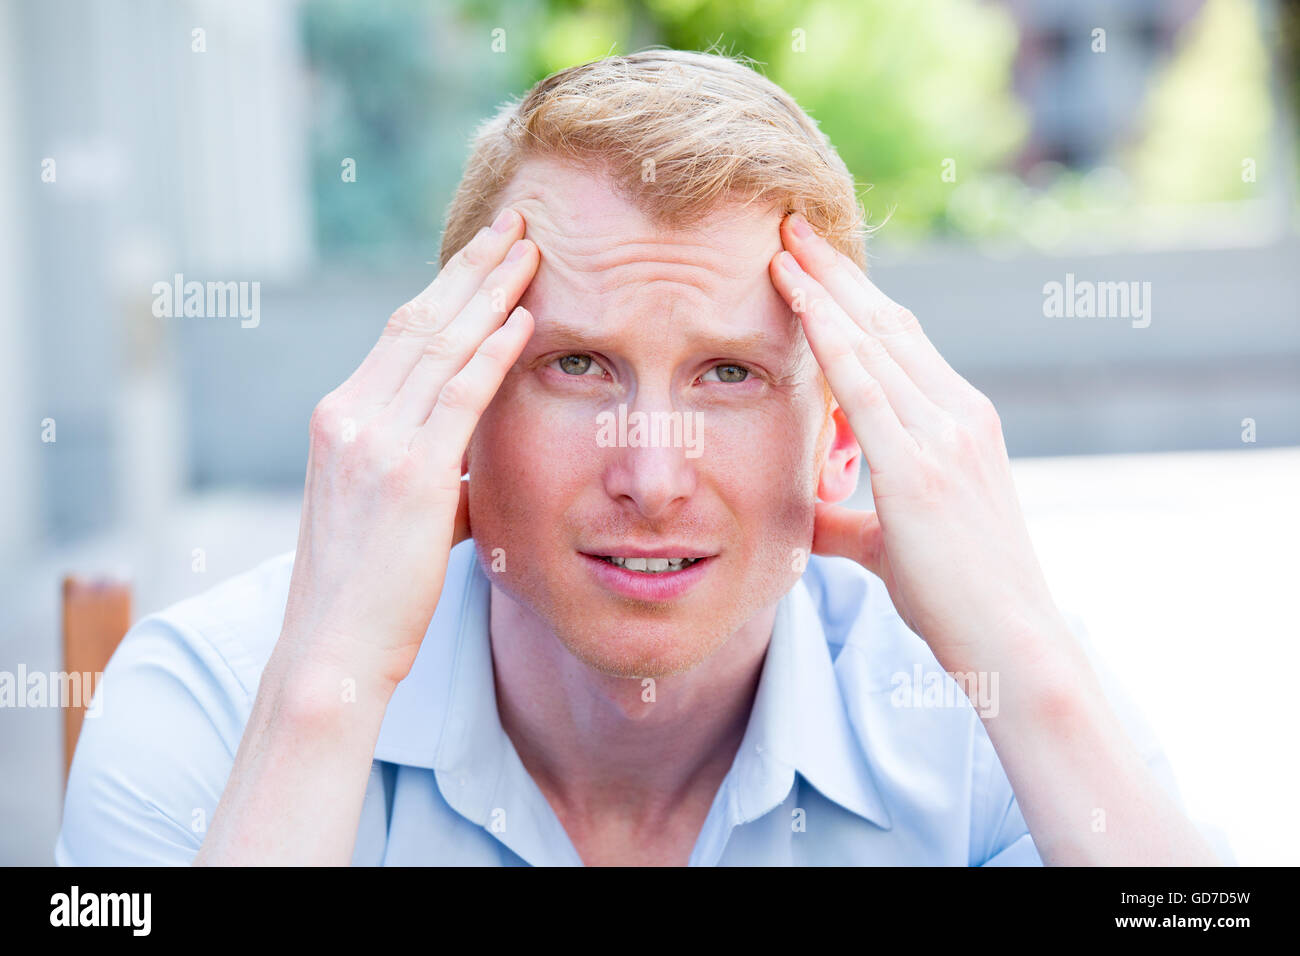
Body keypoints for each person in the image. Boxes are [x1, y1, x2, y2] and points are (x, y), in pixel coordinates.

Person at [57, 48, 1219, 866]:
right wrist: (323, 688)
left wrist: (1024, 648)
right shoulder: (214, 707)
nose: (652, 478)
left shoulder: (986, 714)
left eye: (731, 375)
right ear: (450, 406)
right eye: (577, 367)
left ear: (840, 435)